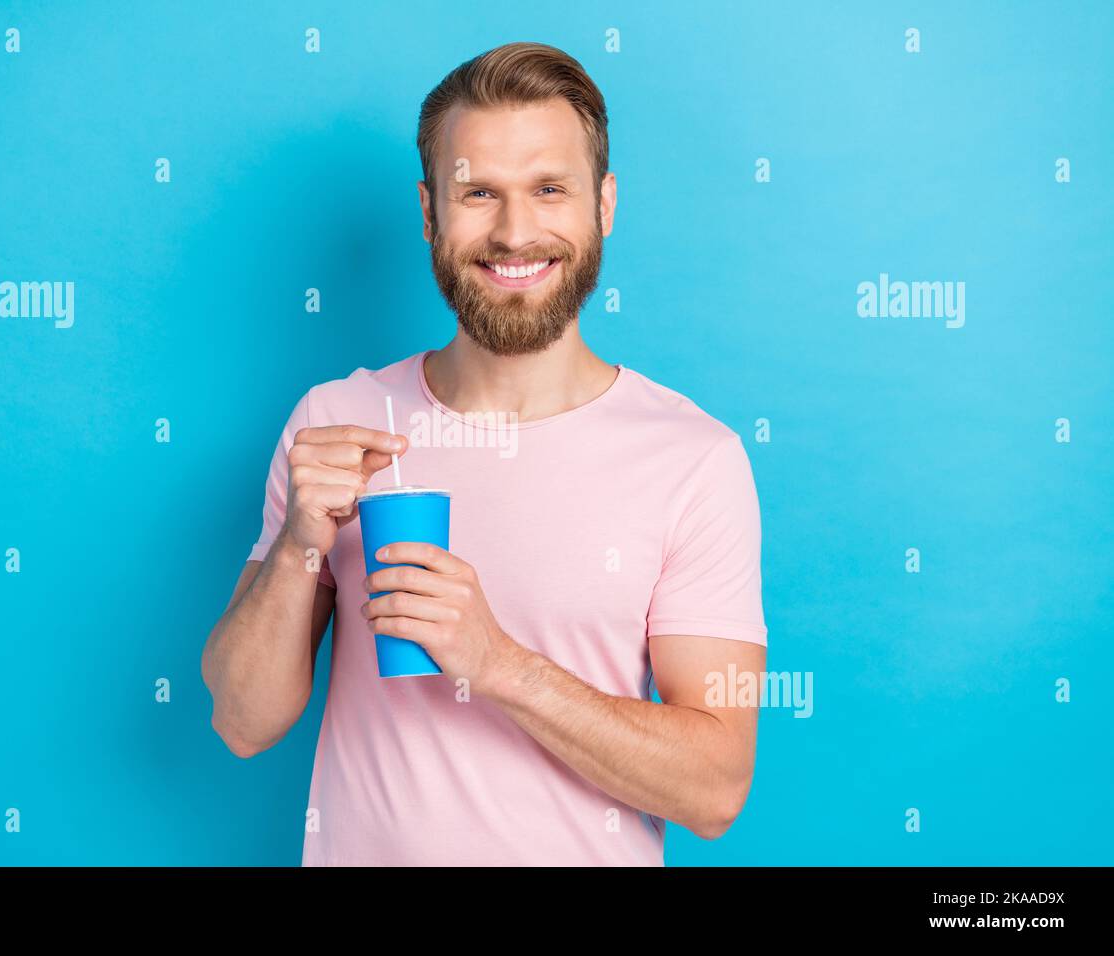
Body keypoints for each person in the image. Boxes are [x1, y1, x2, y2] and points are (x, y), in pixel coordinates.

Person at [201, 41, 768, 866]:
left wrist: (498, 664)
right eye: (478, 193)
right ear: (430, 213)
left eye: (549, 189)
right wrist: (297, 550)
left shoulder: (694, 461)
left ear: (603, 205)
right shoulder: (337, 420)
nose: (514, 233)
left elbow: (715, 789)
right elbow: (242, 723)